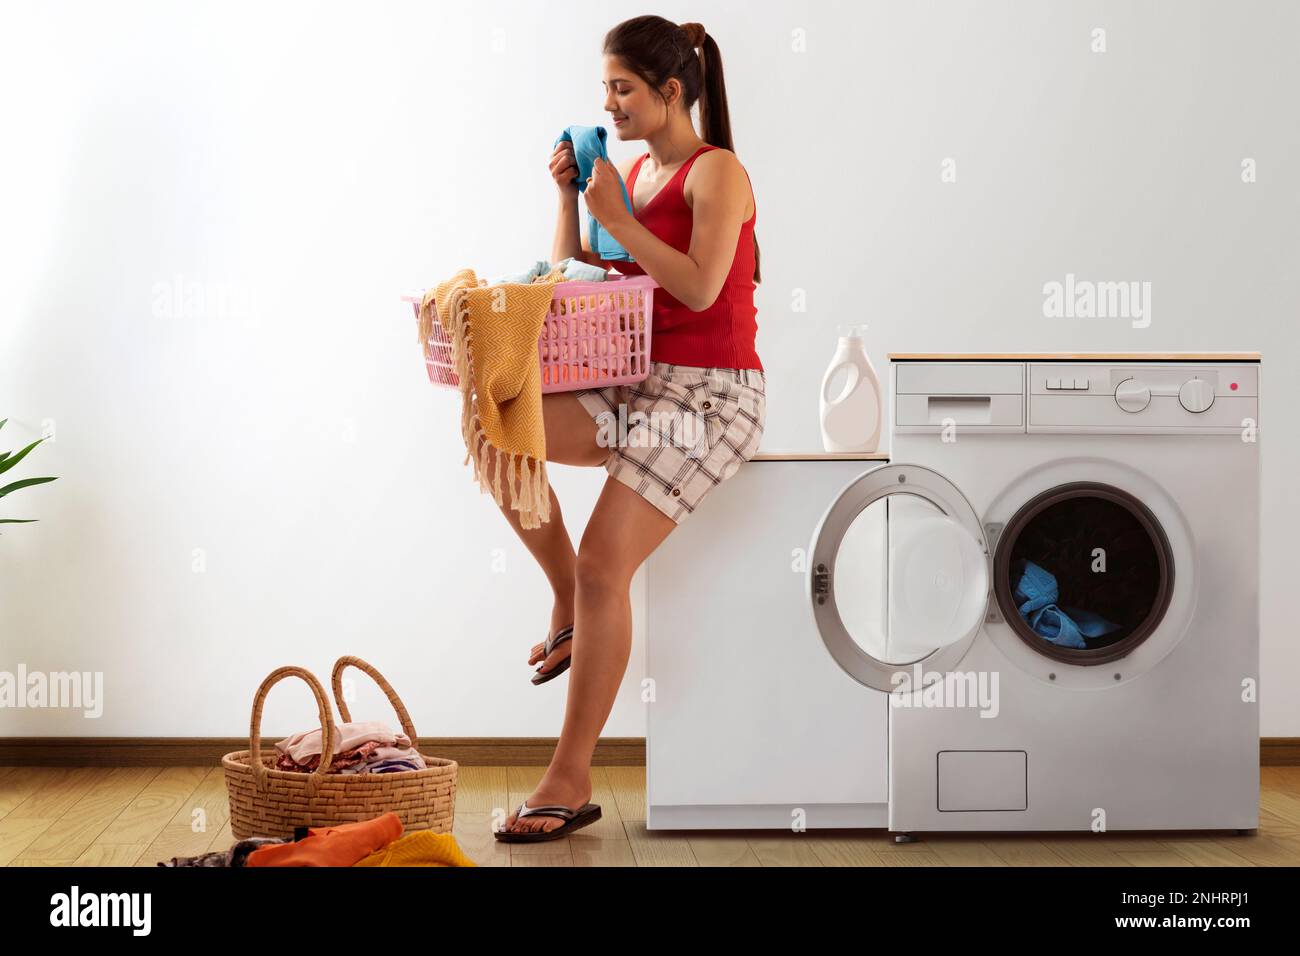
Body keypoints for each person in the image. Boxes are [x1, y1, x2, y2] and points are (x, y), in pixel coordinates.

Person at [493, 15, 766, 840]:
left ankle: (567, 779)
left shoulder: (717, 174)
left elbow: (693, 288)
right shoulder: (632, 171)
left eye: (623, 88)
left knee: (605, 560)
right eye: (604, 89)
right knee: (502, 426)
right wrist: (574, 199)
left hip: (712, 396)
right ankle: (565, 602)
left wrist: (621, 207)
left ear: (671, 91)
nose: (608, 104)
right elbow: (576, 280)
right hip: (640, 379)